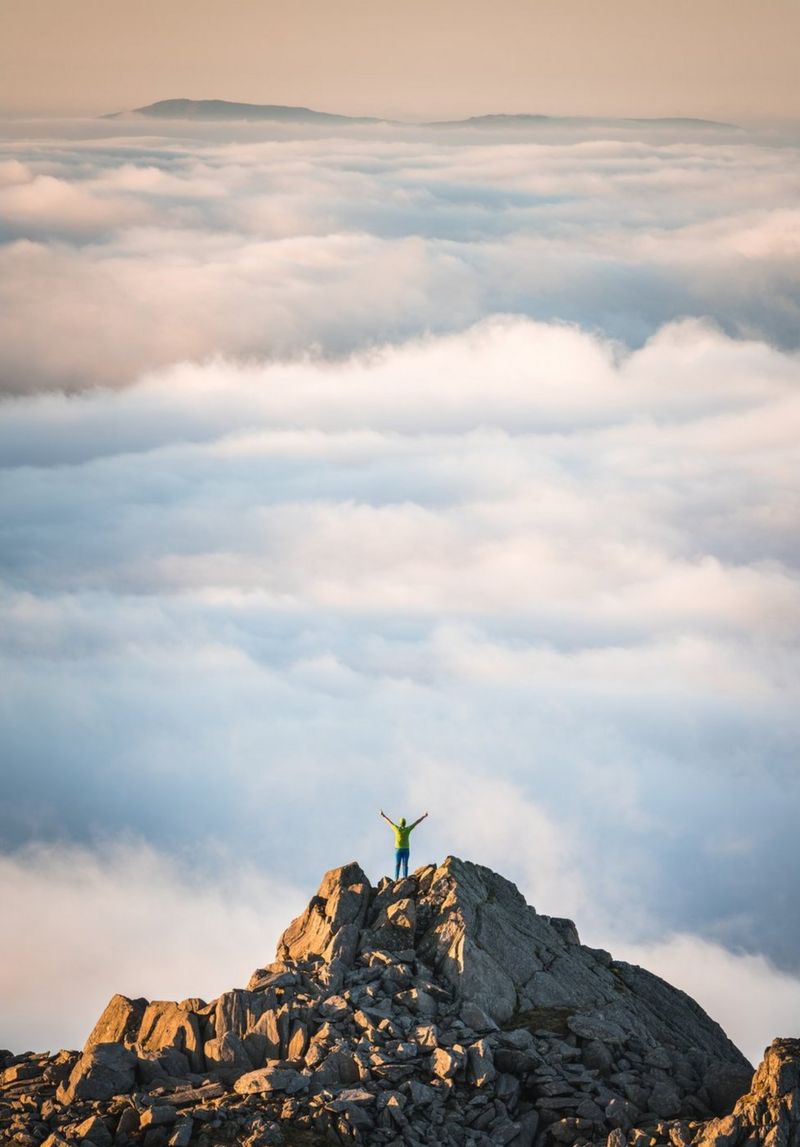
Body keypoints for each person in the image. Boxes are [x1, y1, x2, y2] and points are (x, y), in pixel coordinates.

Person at [380, 809, 428, 880]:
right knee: (405, 864)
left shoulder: (396, 828)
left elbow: (389, 822)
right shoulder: (407, 829)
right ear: (405, 823)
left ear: (400, 823)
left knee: (397, 864)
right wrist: (424, 816)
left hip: (398, 849)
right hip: (406, 849)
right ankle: (404, 877)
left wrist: (383, 816)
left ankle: (396, 878)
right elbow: (416, 822)